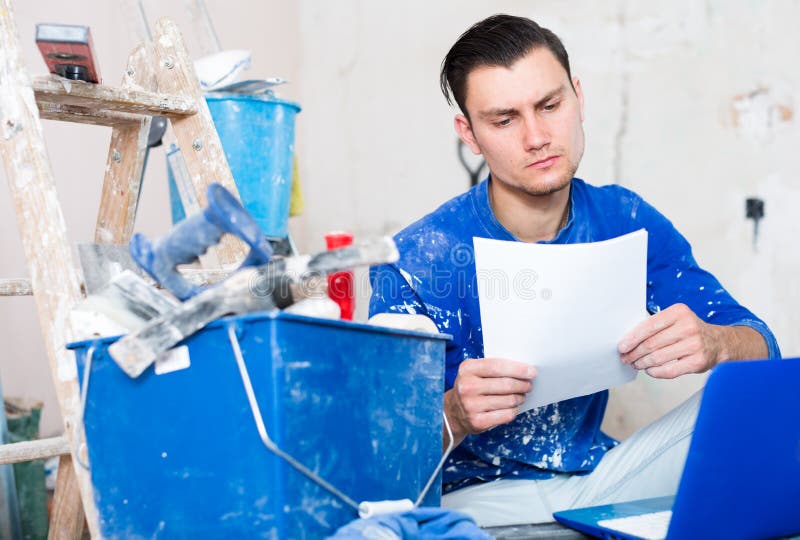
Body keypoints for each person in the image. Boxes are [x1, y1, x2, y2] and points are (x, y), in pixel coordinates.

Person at [368, 14, 781, 527]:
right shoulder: (415, 259)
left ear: (578, 96)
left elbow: (761, 344)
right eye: (503, 120)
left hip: (596, 480)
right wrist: (454, 411)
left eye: (550, 105)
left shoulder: (625, 220)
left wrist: (716, 343)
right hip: (467, 500)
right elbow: (376, 454)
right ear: (469, 133)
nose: (537, 136)